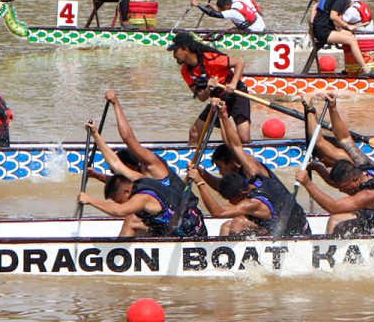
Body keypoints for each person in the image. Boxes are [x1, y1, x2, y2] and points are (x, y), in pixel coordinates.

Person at [77, 92, 205, 237]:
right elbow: (115, 164)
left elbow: (128, 138)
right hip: (168, 221)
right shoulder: (139, 180)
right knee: (136, 218)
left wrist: (115, 103)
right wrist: (95, 134)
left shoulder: (153, 166)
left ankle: (118, 255)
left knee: (131, 218)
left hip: (189, 225)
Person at [295, 95, 374, 237]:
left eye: (344, 188)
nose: (341, 191)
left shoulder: (368, 195)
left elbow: (333, 207)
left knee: (335, 220)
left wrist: (308, 184)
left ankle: (329, 255)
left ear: (354, 180)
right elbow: (345, 138)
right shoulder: (363, 165)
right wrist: (331, 108)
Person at [195, 99, 310, 237]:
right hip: (274, 223)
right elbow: (223, 183)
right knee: (226, 226)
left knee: (238, 221)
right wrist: (202, 173)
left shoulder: (252, 170)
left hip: (295, 229)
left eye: (220, 167)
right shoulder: (242, 183)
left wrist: (224, 116)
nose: (220, 172)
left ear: (231, 162)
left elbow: (234, 145)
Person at [171, 30, 250, 143]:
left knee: (244, 137)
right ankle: (193, 159)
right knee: (194, 133)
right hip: (217, 99)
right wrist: (208, 88)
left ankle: (244, 157)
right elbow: (202, 97)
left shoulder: (210, 58)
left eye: (175, 50)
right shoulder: (185, 71)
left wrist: (233, 83)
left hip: (237, 93)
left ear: (185, 49)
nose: (174, 55)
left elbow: (239, 63)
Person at [309, 0, 374, 75]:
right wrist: (347, 25)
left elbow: (317, 8)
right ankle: (366, 69)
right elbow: (333, 16)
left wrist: (313, 23)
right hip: (323, 31)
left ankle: (348, 67)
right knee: (352, 40)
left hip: (321, 28)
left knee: (349, 35)